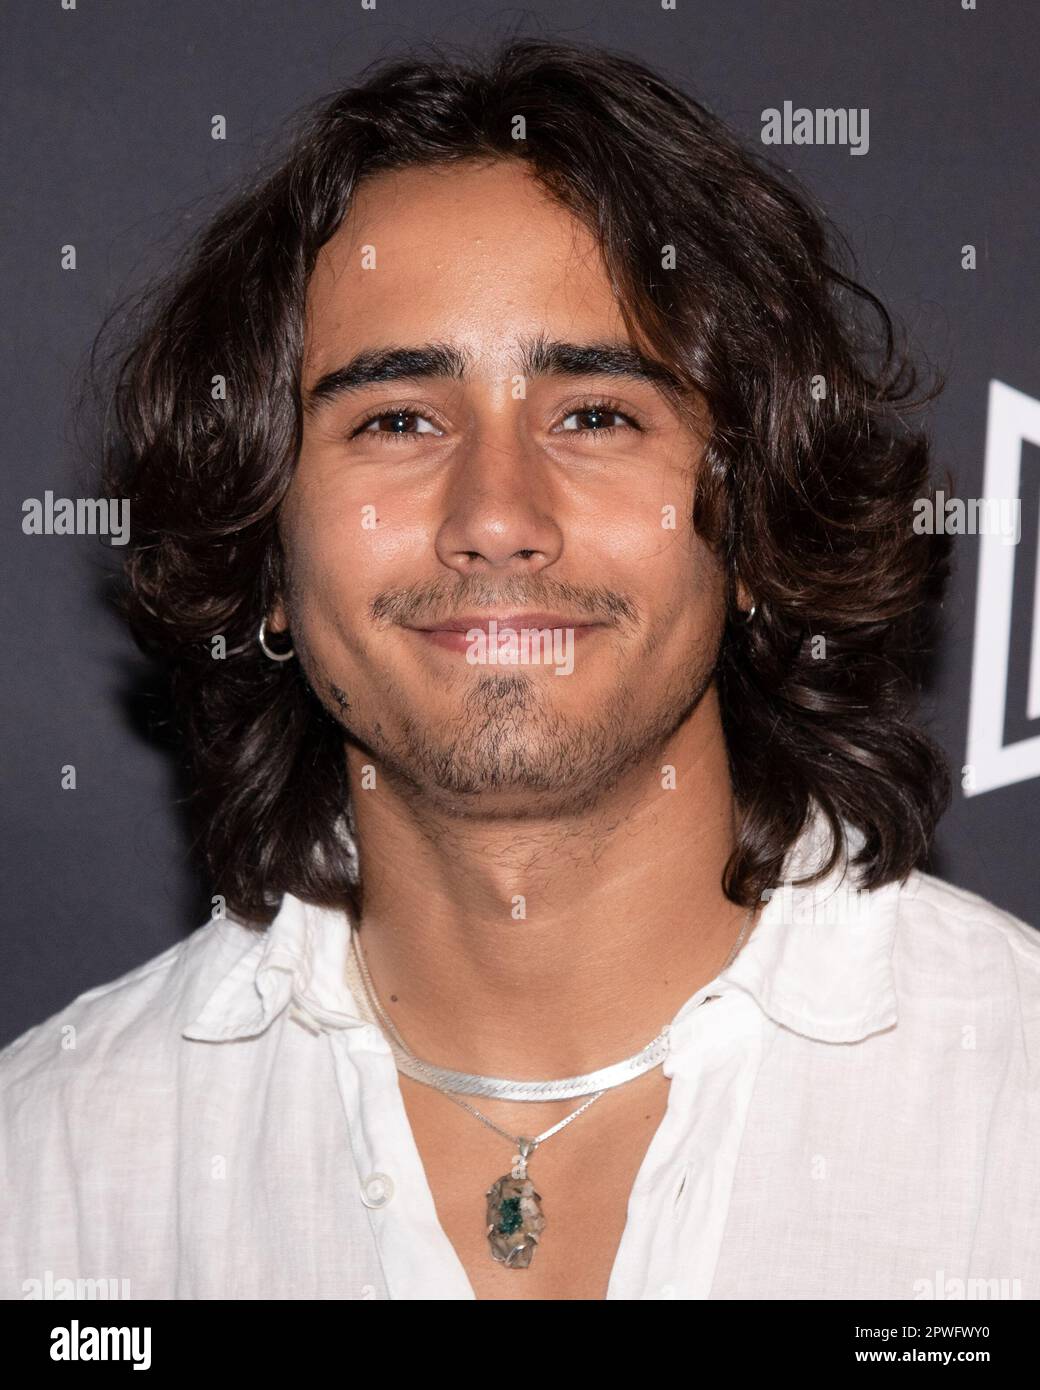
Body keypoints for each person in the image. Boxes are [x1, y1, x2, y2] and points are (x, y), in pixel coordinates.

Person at [3, 39, 1037, 1303]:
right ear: (265, 553)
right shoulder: (50, 1169)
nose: (495, 513)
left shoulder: (1012, 1103)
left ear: (759, 521)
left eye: (595, 414)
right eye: (395, 420)